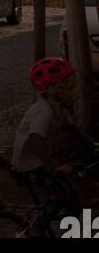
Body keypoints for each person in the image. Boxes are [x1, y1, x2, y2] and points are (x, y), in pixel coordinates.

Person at [12, 58, 98, 196]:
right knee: (70, 194)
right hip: (30, 165)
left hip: (39, 160)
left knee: (70, 192)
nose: (75, 92)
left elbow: (73, 129)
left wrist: (94, 147)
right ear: (54, 90)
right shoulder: (44, 111)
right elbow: (35, 141)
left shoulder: (58, 108)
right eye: (70, 88)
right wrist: (53, 167)